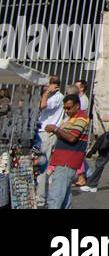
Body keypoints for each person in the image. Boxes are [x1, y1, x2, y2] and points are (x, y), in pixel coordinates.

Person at [44, 93, 90, 209]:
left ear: (77, 106)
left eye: (68, 108)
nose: (66, 111)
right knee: (65, 197)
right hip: (64, 159)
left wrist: (55, 129)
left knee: (56, 195)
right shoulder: (72, 118)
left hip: (67, 161)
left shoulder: (81, 118)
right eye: (64, 108)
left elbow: (72, 138)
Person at [34, 76, 65, 206]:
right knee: (46, 167)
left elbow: (42, 105)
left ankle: (41, 198)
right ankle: (47, 195)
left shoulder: (57, 97)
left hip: (47, 134)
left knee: (43, 165)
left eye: (47, 85)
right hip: (43, 132)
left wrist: (46, 93)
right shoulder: (53, 96)